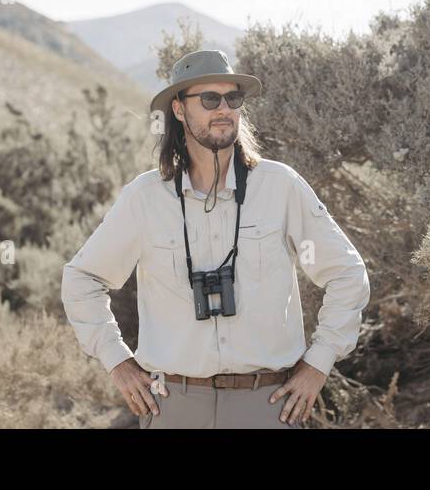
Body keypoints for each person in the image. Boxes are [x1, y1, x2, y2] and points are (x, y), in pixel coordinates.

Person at [61, 49, 370, 428]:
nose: (224, 109)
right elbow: (81, 279)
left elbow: (348, 275)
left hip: (268, 404)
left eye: (233, 98)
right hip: (173, 406)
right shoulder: (145, 198)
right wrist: (117, 362)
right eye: (209, 99)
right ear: (178, 110)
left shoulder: (280, 186)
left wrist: (318, 364)